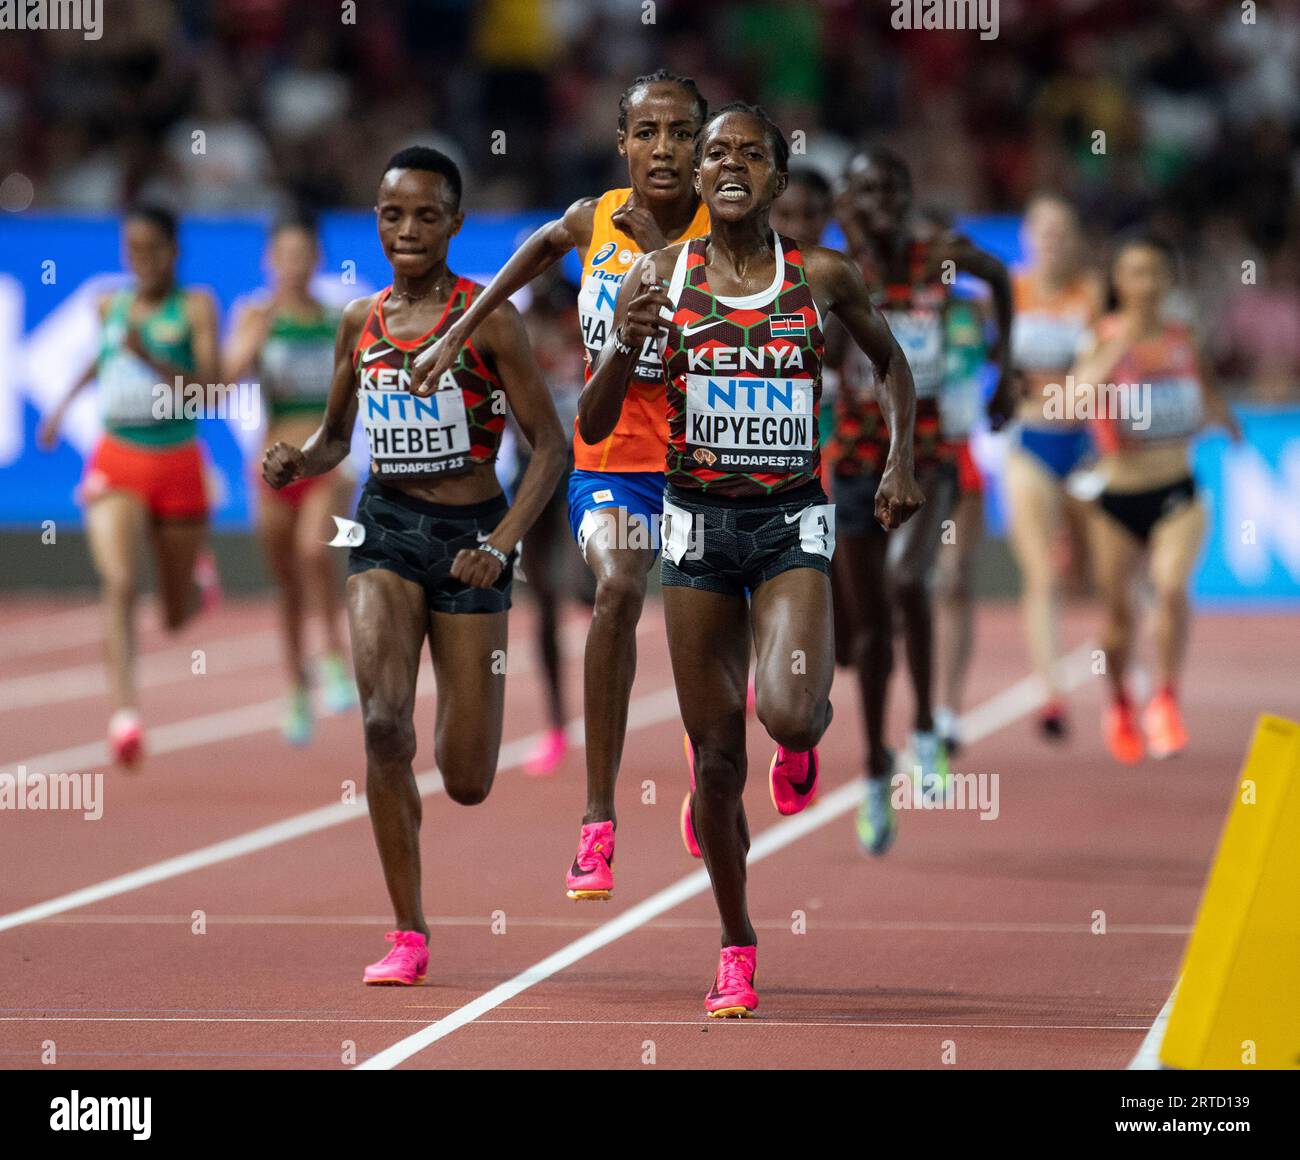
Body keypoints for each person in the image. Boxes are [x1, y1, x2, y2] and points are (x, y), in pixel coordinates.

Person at [582, 104, 923, 1017]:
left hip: (789, 525)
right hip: (695, 530)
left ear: (777, 180)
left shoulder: (824, 278)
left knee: (793, 715)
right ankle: (737, 945)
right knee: (717, 767)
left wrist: (899, 461)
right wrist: (625, 339)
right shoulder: (656, 275)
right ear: (697, 176)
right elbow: (592, 422)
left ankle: (803, 738)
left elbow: (894, 367)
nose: (730, 164)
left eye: (752, 154)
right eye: (715, 151)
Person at [262, 147, 566, 984]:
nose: (407, 230)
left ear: (456, 224)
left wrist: (501, 543)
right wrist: (302, 459)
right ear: (376, 222)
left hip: (473, 539)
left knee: (466, 778)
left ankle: (459, 754)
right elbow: (334, 436)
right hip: (384, 530)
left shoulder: (488, 319)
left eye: (427, 216)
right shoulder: (356, 319)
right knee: (383, 725)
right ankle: (408, 931)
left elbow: (553, 452)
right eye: (393, 215)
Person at [410, 70, 711, 901]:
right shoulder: (595, 219)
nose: (662, 148)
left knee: (716, 645)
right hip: (611, 455)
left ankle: (721, 757)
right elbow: (538, 249)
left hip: (707, 461)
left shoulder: (732, 230)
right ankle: (597, 823)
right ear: (622, 142)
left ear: (702, 144)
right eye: (645, 132)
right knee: (614, 590)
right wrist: (456, 333)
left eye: (680, 133)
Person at [829, 147, 1014, 856]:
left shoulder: (936, 255)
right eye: (863, 189)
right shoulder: (831, 272)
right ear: (845, 201)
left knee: (911, 578)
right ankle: (876, 767)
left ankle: (929, 723)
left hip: (928, 454)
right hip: (850, 459)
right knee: (868, 634)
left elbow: (998, 274)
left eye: (889, 188)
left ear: (906, 197)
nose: (876, 201)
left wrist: (1008, 373)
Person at [38, 205, 221, 767]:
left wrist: (156, 358)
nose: (141, 260)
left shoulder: (194, 307)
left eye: (152, 249)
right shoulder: (109, 304)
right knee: (118, 580)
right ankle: (124, 714)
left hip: (176, 459)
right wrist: (63, 404)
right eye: (131, 249)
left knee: (173, 615)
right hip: (116, 456)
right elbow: (102, 358)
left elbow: (210, 391)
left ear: (174, 251)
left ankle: (196, 582)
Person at [1071, 237, 1240, 764]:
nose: (1146, 284)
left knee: (1170, 588)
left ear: (1168, 281)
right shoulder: (1099, 339)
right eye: (1135, 274)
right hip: (1116, 499)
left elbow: (1206, 387)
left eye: (1155, 274)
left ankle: (1165, 699)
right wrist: (1120, 344)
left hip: (1177, 490)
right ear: (1119, 283)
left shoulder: (1183, 337)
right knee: (1115, 625)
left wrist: (1225, 421)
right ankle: (1119, 700)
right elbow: (1076, 399)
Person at [223, 215, 357, 745]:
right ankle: (297, 688)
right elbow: (223, 381)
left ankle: (331, 657)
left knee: (312, 552)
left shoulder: (336, 318)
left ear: (317, 260)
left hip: (323, 461)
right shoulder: (255, 316)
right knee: (286, 587)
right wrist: (252, 339)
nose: (293, 266)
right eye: (284, 256)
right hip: (273, 468)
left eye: (303, 255)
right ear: (269, 262)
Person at [1004, 194, 1104, 740]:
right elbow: (998, 377)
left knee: (1096, 577)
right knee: (1041, 574)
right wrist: (1046, 396)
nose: (1052, 241)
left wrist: (1068, 393)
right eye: (1043, 231)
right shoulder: (1009, 293)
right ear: (1027, 238)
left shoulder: (1092, 294)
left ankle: (1122, 680)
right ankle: (1051, 693)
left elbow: (1099, 376)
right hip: (1031, 444)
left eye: (1062, 231)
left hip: (1087, 448)